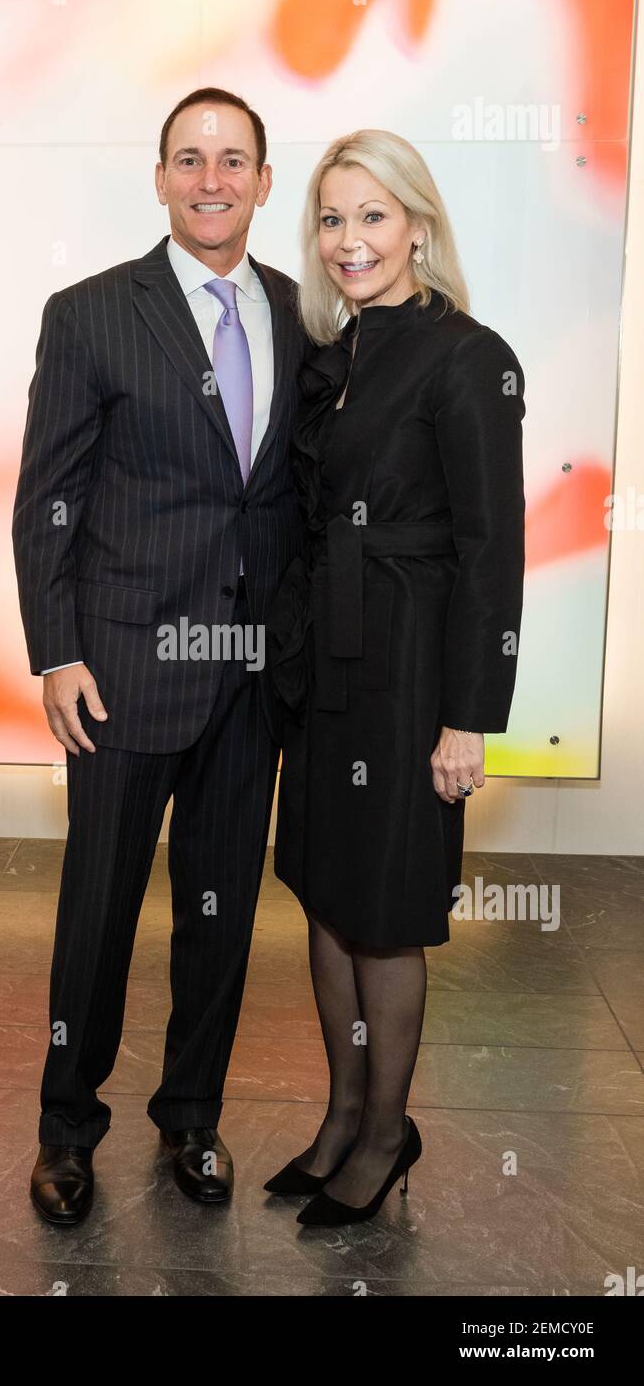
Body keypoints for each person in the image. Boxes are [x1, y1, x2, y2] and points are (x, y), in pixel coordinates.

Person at [12, 88, 309, 1225]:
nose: (210, 178)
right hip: (124, 672)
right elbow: (48, 497)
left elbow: (285, 495)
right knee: (97, 912)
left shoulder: (296, 311)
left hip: (246, 677)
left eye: (233, 160)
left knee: (220, 914)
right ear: (159, 177)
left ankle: (191, 1116)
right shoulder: (89, 313)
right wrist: (57, 652)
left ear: (263, 182)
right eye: (189, 158)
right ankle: (64, 1127)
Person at [263, 129, 526, 1227]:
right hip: (330, 656)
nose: (348, 241)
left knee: (385, 914)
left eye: (371, 216)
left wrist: (467, 720)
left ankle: (385, 1132)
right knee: (326, 895)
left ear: (416, 224)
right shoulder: (337, 351)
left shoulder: (466, 355)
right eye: (330, 218)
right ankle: (338, 1115)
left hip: (413, 669)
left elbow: (490, 547)